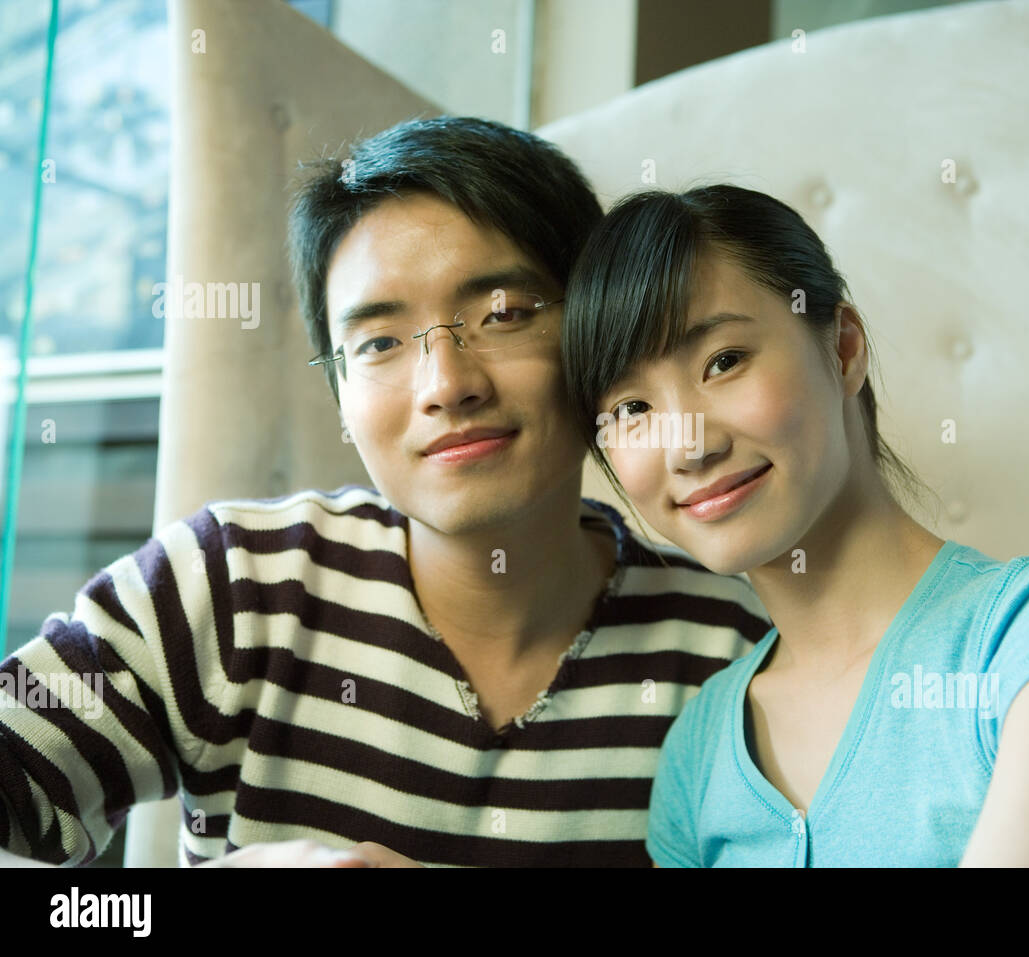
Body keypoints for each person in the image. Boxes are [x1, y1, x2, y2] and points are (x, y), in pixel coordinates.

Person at [0, 119, 771, 868]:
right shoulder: (231, 584)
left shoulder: (733, 651)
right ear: (341, 393)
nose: (448, 384)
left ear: (599, 333)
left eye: (503, 314)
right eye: (378, 343)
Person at [560, 184, 1029, 866]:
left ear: (845, 349)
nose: (688, 446)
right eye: (633, 406)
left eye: (724, 361)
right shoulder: (698, 749)